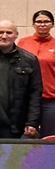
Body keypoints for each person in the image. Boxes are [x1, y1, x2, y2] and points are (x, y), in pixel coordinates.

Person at [25, 10, 55, 139]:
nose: (42, 24)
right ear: (33, 24)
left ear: (52, 24)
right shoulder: (23, 42)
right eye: (39, 21)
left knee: (48, 138)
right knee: (24, 136)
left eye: (46, 21)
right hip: (27, 98)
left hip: (49, 99)